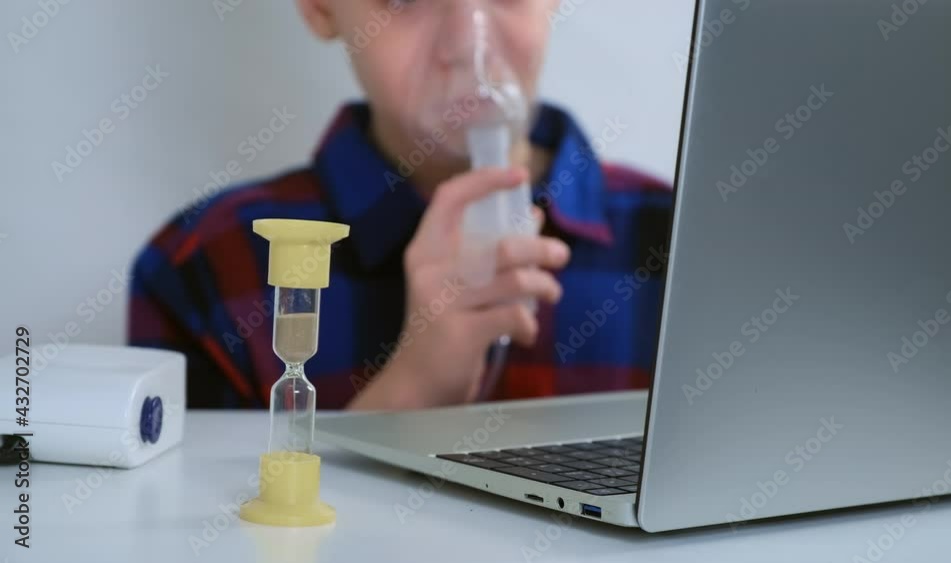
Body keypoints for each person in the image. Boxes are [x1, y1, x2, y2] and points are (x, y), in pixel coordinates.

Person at [128, 0, 673, 410]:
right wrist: (412, 388)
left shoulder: (680, 240)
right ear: (320, 7)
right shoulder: (204, 270)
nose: (467, 46)